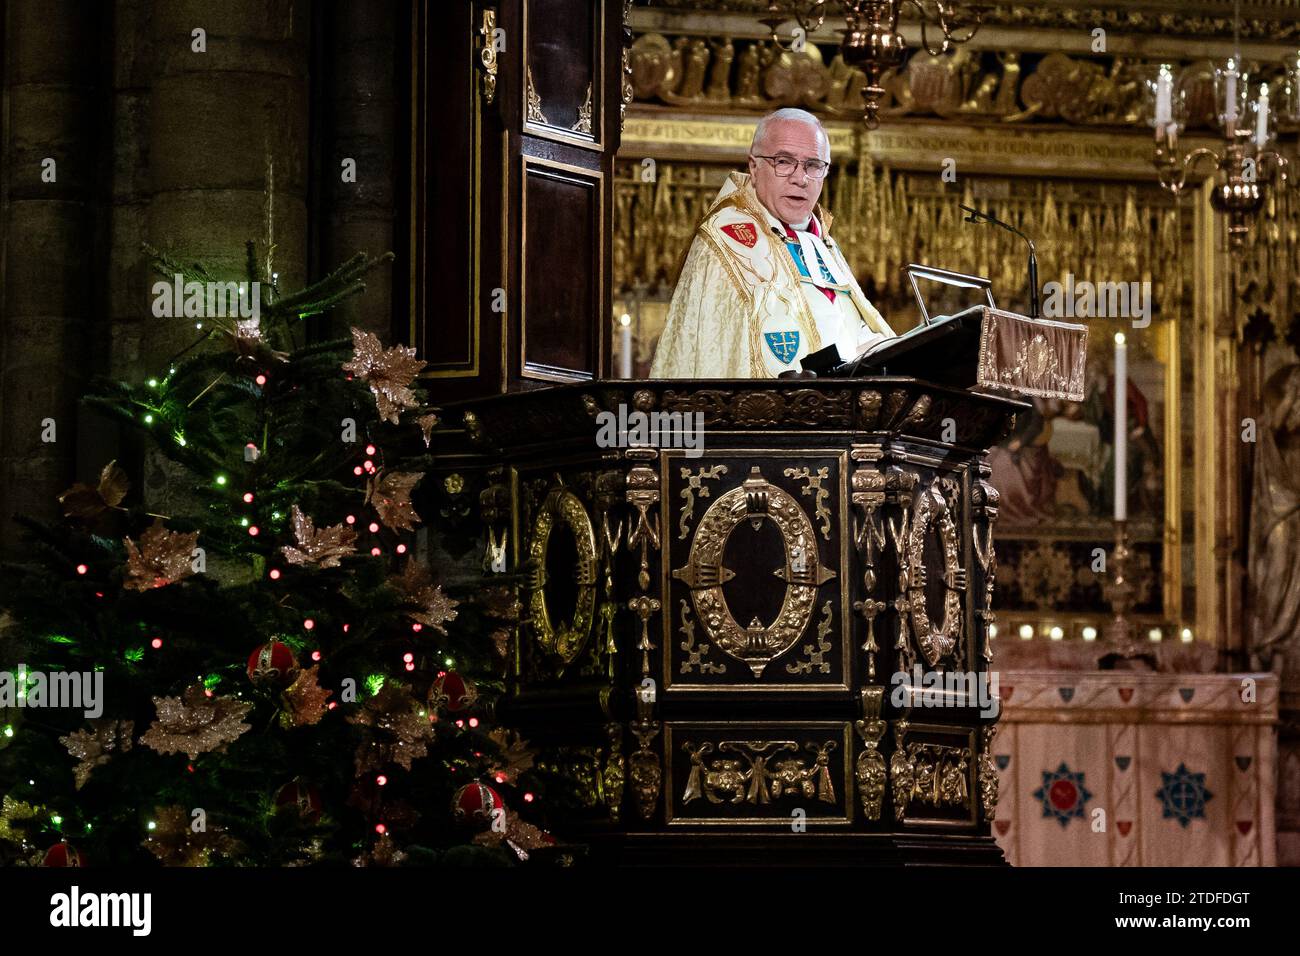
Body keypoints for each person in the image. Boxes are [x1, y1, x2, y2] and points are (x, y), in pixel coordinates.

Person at [650, 108, 894, 378]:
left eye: (813, 165)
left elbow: (847, 330)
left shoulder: (821, 243)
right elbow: (709, 360)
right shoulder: (722, 243)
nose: (800, 178)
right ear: (754, 167)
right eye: (784, 161)